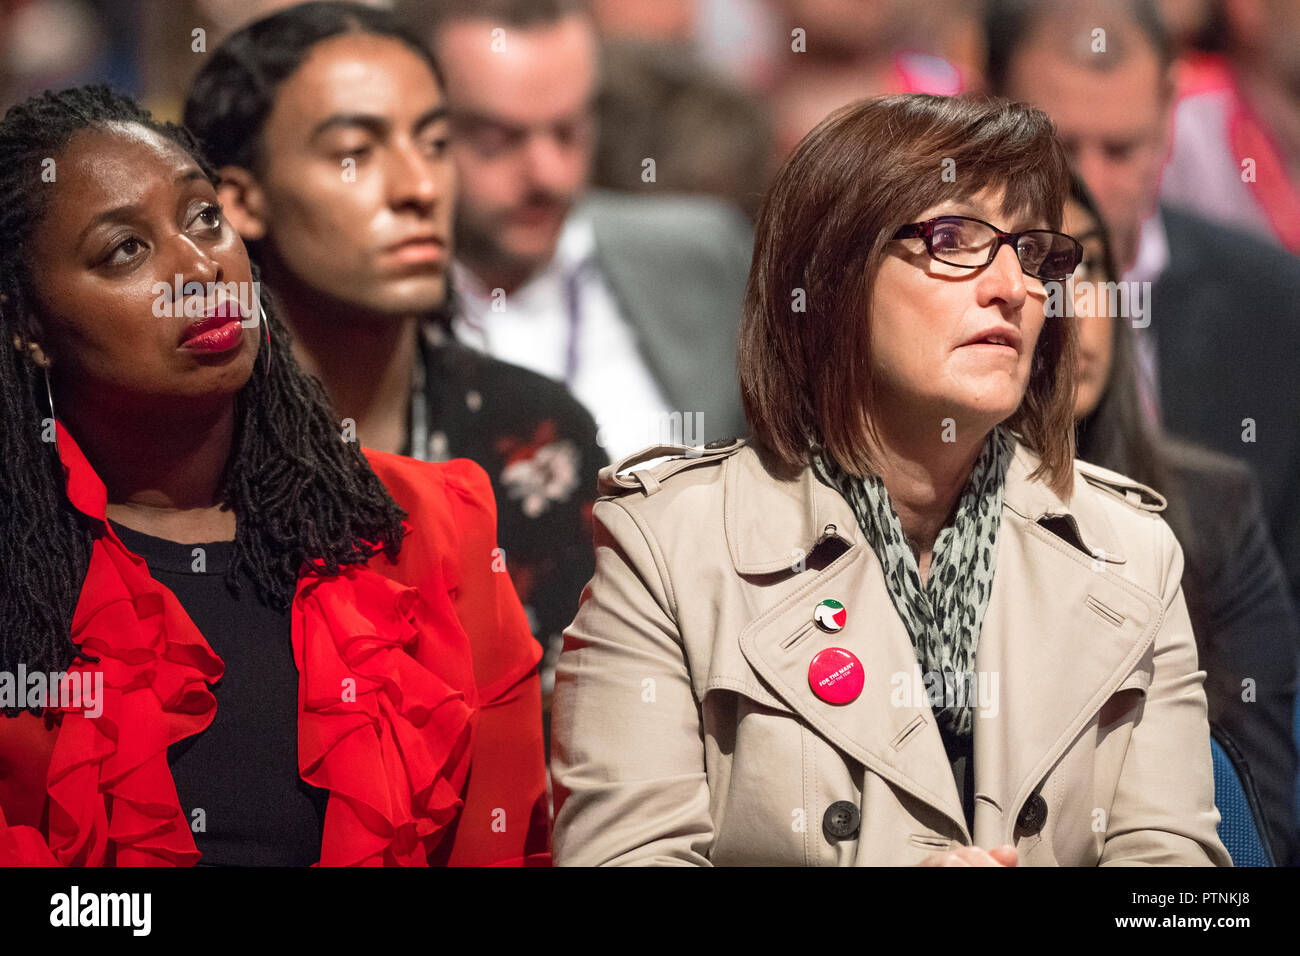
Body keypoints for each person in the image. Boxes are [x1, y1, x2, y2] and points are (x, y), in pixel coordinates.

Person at [550, 93, 1231, 866]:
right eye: (954, 239)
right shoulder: (667, 550)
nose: (1012, 287)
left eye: (1034, 254)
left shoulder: (1131, 553)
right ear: (829, 278)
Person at [0, 84, 549, 866]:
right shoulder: (22, 586)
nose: (198, 267)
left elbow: (513, 844)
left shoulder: (432, 527)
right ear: (28, 326)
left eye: (204, 217)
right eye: (125, 249)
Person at [182, 2, 605, 724]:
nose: (420, 187)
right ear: (241, 201)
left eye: (436, 143)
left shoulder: (529, 437)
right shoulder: (181, 453)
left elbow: (580, 750)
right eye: (356, 153)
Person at [985, 0, 1300, 618]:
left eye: (1122, 150)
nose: (1091, 186)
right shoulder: (946, 298)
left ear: (1168, 108)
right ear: (984, 105)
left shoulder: (1277, 306)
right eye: (1062, 148)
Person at [399, 0, 754, 458]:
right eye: (494, 140)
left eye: (568, 131)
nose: (546, 173)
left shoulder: (699, 258)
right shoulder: (373, 307)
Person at [1065, 173, 1300, 864]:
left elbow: (1261, 819)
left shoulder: (1212, 507)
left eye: (1092, 267)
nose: (1073, 307)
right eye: (1044, 269)